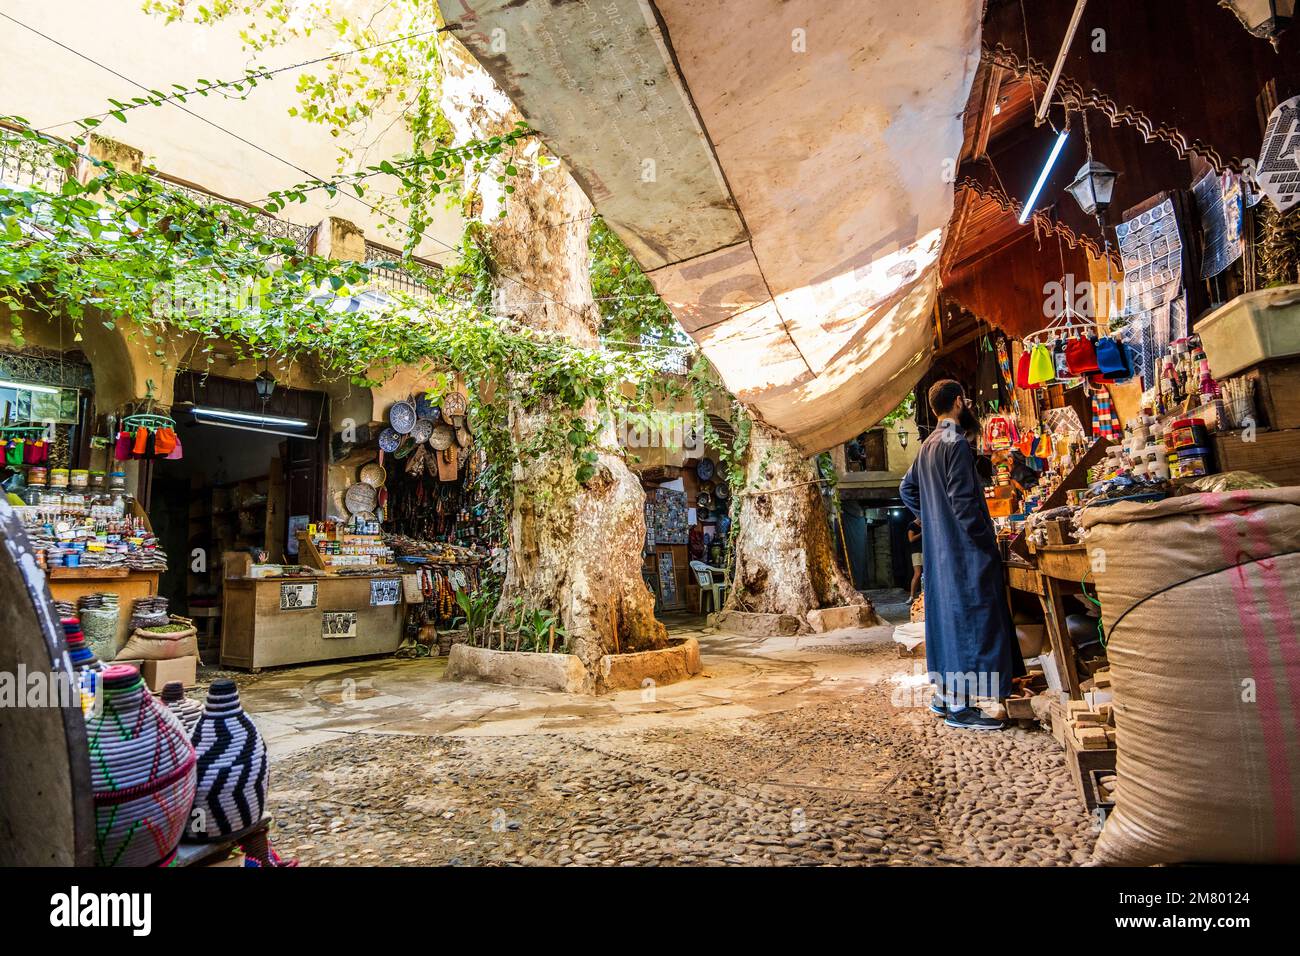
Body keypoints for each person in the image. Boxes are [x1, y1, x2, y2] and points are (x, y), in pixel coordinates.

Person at [899, 380, 1023, 730]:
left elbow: (907, 488)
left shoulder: (928, 444)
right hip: (965, 551)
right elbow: (963, 501)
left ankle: (944, 697)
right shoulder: (955, 442)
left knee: (948, 618)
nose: (967, 404)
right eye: (966, 399)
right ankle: (960, 707)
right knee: (974, 619)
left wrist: (932, 519)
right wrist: (983, 540)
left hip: (941, 551)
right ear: (958, 402)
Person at [906, 519, 923, 604]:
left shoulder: (926, 523)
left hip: (927, 551)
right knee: (917, 574)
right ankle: (911, 597)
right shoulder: (912, 525)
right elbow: (911, 539)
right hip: (917, 552)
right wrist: (922, 533)